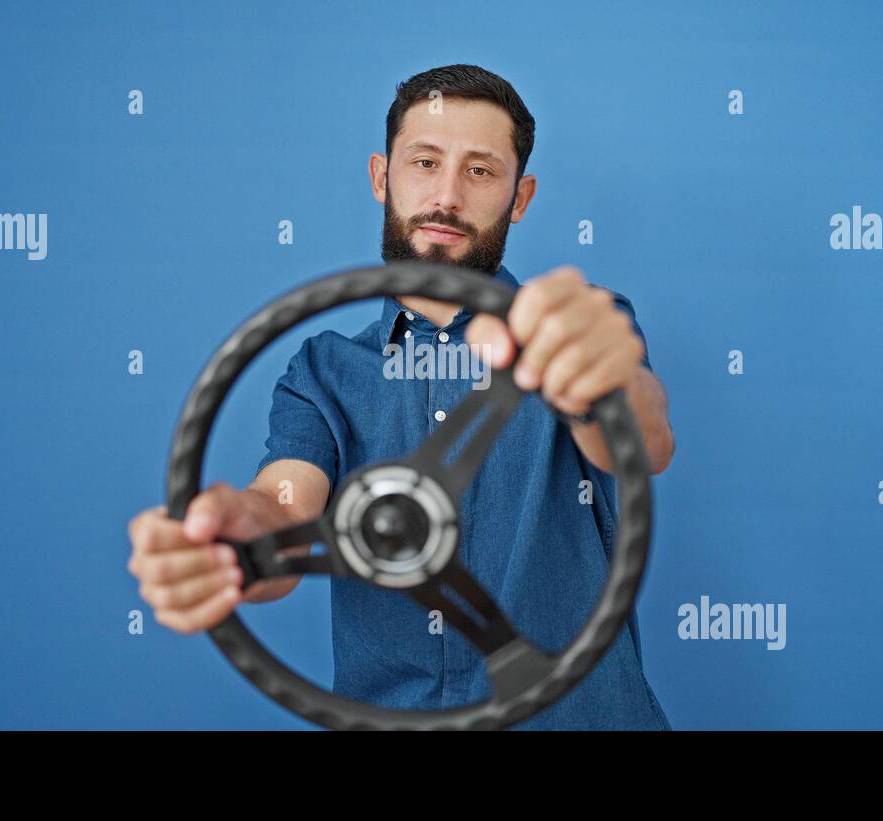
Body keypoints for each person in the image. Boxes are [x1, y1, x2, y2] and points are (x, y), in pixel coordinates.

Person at [127, 64, 676, 729]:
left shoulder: (580, 328)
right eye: (424, 162)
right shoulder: (324, 370)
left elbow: (643, 440)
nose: (446, 197)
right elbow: (282, 502)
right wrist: (235, 537)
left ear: (520, 197)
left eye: (480, 171)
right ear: (381, 176)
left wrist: (601, 378)